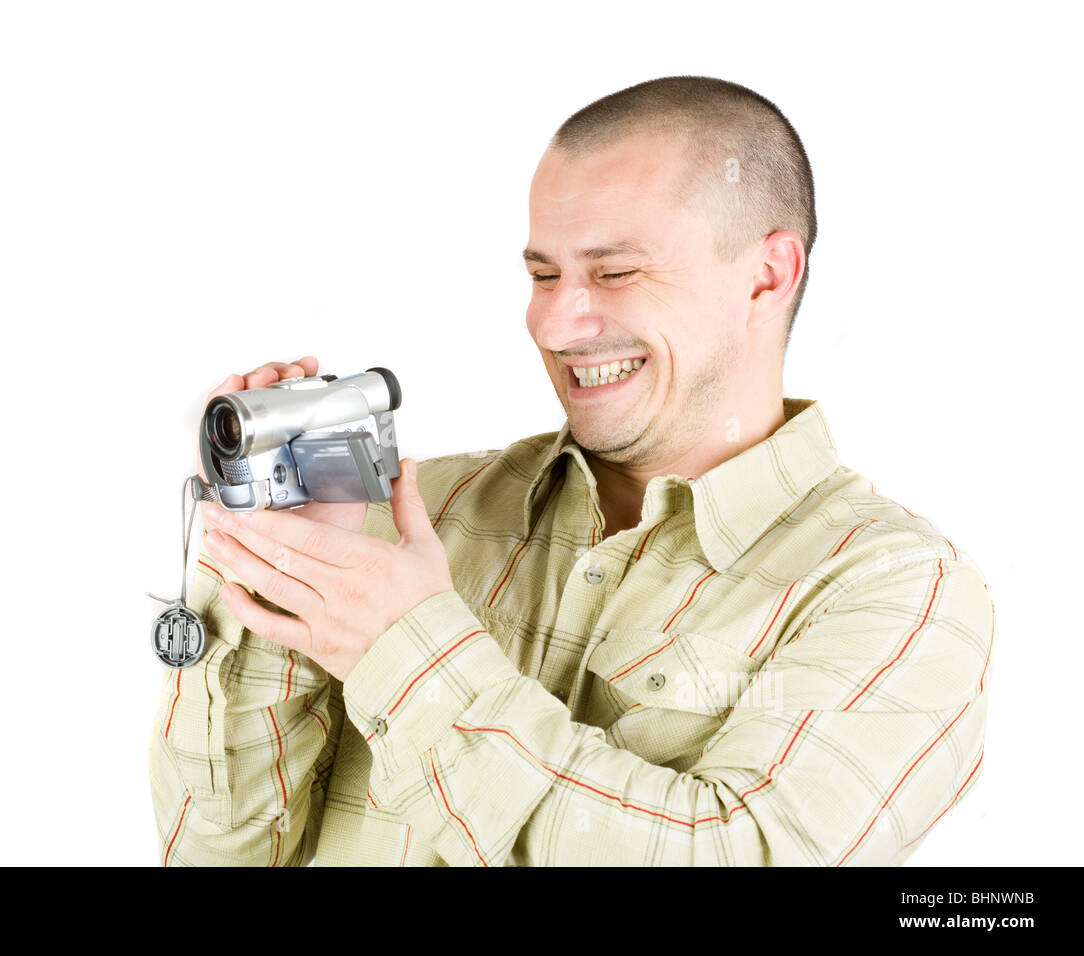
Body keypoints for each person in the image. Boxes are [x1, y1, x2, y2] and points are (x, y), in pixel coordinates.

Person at [147, 75, 995, 866]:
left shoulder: (897, 588)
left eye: (615, 272)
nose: (556, 323)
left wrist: (399, 649)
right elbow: (218, 851)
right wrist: (282, 575)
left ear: (767, 275)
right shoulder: (415, 514)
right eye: (543, 275)